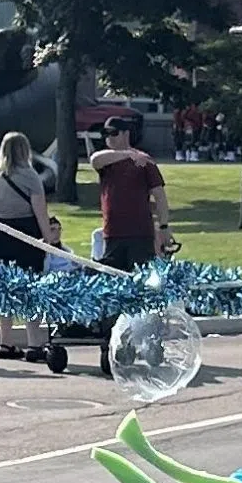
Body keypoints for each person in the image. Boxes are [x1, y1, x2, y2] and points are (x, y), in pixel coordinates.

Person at [0, 128, 64, 370]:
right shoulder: (30, 176)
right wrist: (47, 240)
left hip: (0, 233)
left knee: (5, 289)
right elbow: (40, 211)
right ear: (25, 150)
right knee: (30, 288)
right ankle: (33, 344)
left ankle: (6, 342)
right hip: (25, 234)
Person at [88, 115, 171, 379]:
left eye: (113, 133)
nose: (108, 138)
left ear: (125, 133)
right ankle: (116, 341)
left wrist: (165, 226)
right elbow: (94, 160)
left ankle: (148, 339)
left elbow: (159, 194)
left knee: (142, 291)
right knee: (113, 291)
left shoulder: (145, 163)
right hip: (113, 236)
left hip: (141, 235)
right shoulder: (108, 161)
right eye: (106, 134)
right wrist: (125, 154)